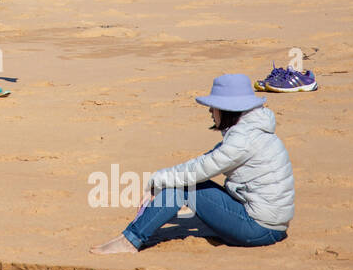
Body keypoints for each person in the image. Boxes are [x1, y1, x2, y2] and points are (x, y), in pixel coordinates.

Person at [90, 74, 295, 254]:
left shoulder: (242, 141)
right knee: (183, 183)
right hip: (271, 225)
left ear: (227, 109)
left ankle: (130, 241)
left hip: (260, 229)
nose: (210, 112)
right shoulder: (252, 131)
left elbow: (197, 171)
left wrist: (156, 181)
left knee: (183, 187)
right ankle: (132, 235)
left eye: (213, 107)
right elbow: (205, 161)